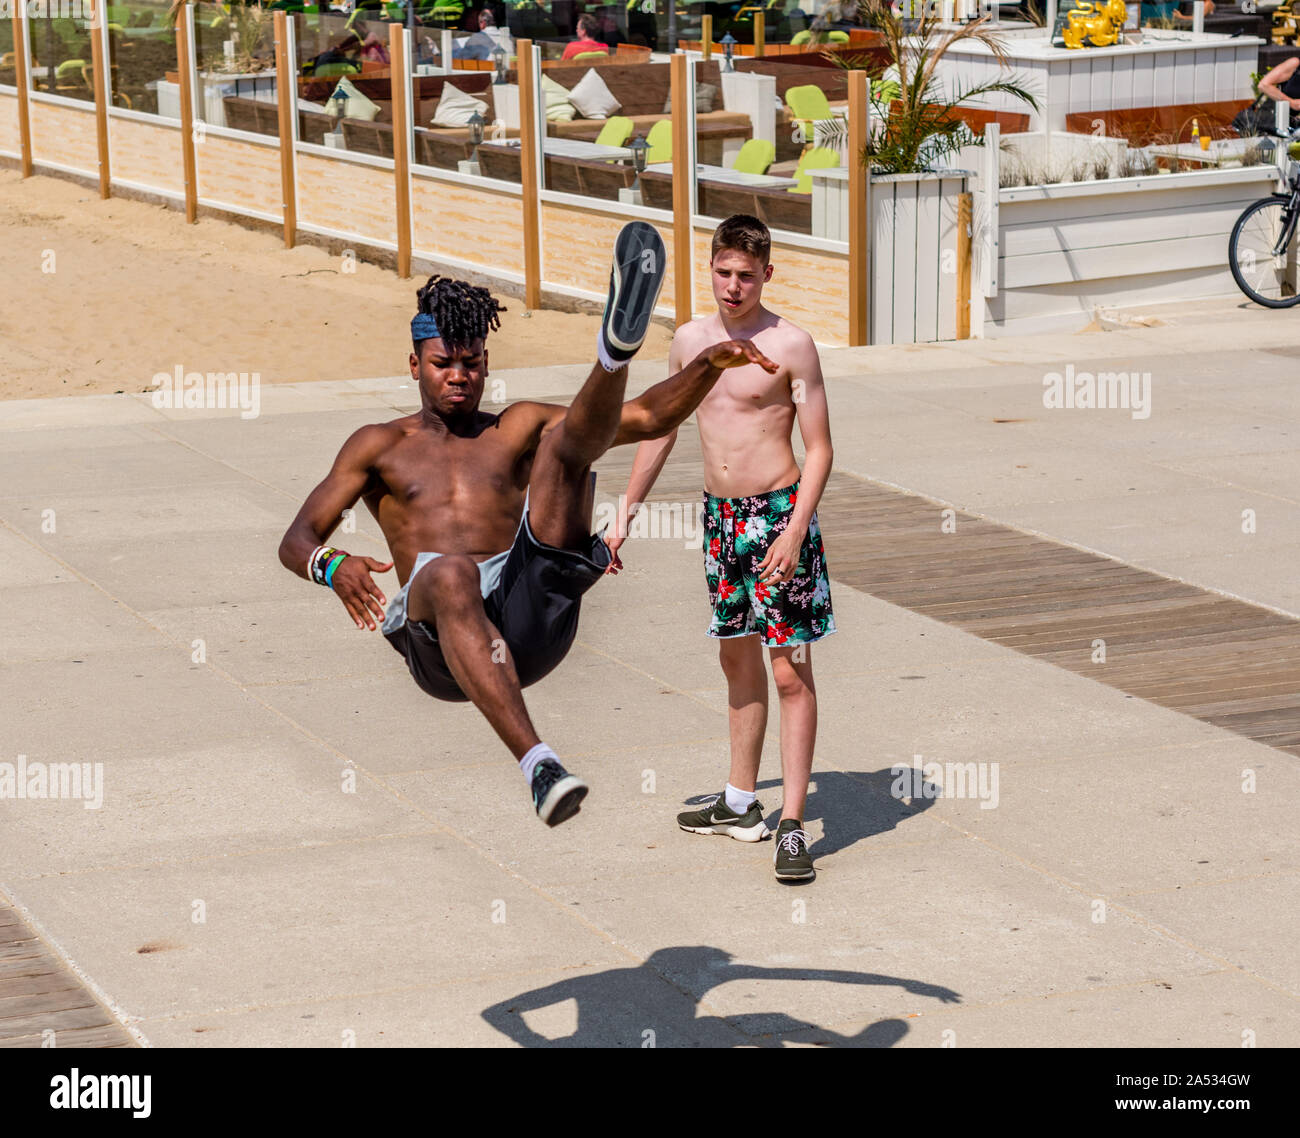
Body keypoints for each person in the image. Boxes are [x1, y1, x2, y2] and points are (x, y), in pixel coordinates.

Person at [278, 223, 777, 829]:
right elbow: (297, 538)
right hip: (440, 646)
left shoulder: (510, 427)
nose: (458, 377)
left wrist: (707, 365)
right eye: (442, 364)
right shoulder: (379, 445)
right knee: (449, 572)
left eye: (471, 363)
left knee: (563, 448)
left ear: (486, 363)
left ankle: (611, 352)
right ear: (414, 365)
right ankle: (538, 765)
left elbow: (645, 417)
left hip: (528, 618)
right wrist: (331, 566)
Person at [606, 215, 834, 883]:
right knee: (736, 661)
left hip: (777, 520)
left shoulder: (791, 344)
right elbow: (660, 430)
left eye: (746, 274)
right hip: (720, 522)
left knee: (789, 671)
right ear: (710, 269)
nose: (733, 286)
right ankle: (740, 804)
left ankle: (790, 823)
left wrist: (795, 532)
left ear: (768, 273)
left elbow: (819, 448)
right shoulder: (690, 342)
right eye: (723, 272)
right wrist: (624, 514)